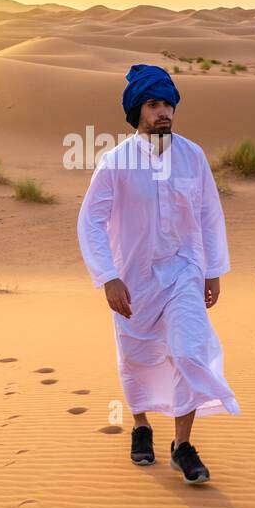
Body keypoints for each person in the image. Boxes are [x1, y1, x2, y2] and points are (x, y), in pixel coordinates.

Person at [77, 64, 239, 484]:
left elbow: (208, 214)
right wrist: (107, 276)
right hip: (134, 278)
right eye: (153, 104)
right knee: (137, 356)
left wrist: (214, 270)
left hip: (185, 271)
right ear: (137, 112)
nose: (163, 111)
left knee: (188, 350)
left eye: (168, 103)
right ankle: (141, 425)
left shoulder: (193, 155)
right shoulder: (116, 162)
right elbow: (90, 221)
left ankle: (182, 445)